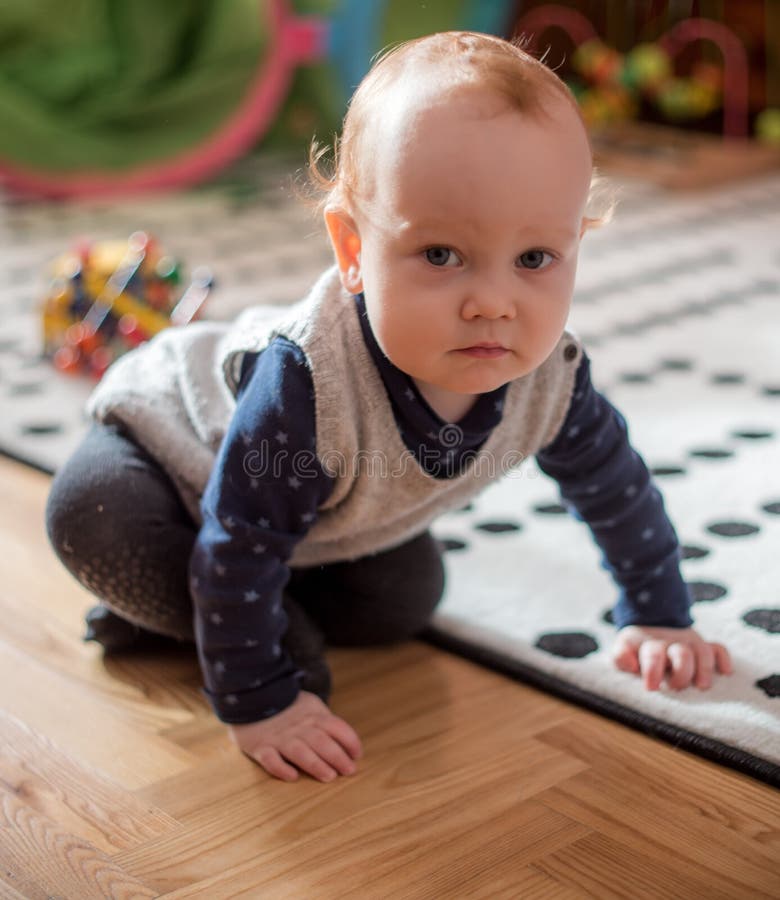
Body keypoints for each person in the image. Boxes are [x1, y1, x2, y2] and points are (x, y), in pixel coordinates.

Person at [46, 32, 733, 784]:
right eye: (441, 255)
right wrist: (261, 695)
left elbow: (616, 491)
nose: (492, 304)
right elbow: (240, 539)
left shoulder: (551, 378)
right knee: (93, 518)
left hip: (310, 519)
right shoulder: (306, 383)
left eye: (535, 259)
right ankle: (210, 620)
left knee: (403, 602)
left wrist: (659, 611)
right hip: (159, 462)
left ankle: (180, 613)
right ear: (351, 248)